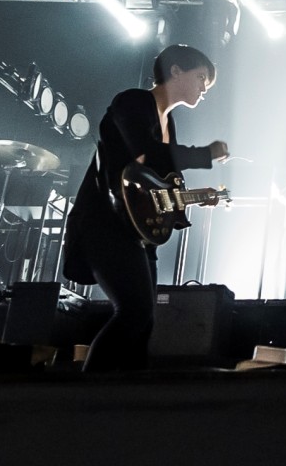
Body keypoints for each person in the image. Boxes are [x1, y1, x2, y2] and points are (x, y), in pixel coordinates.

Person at [63, 44, 230, 371]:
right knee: (134, 313)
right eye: (200, 78)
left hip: (137, 231)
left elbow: (162, 185)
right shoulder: (133, 101)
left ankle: (126, 401)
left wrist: (195, 197)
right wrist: (204, 154)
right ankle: (88, 393)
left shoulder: (171, 124)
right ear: (176, 71)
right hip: (106, 222)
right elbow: (144, 154)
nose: (203, 90)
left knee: (144, 321)